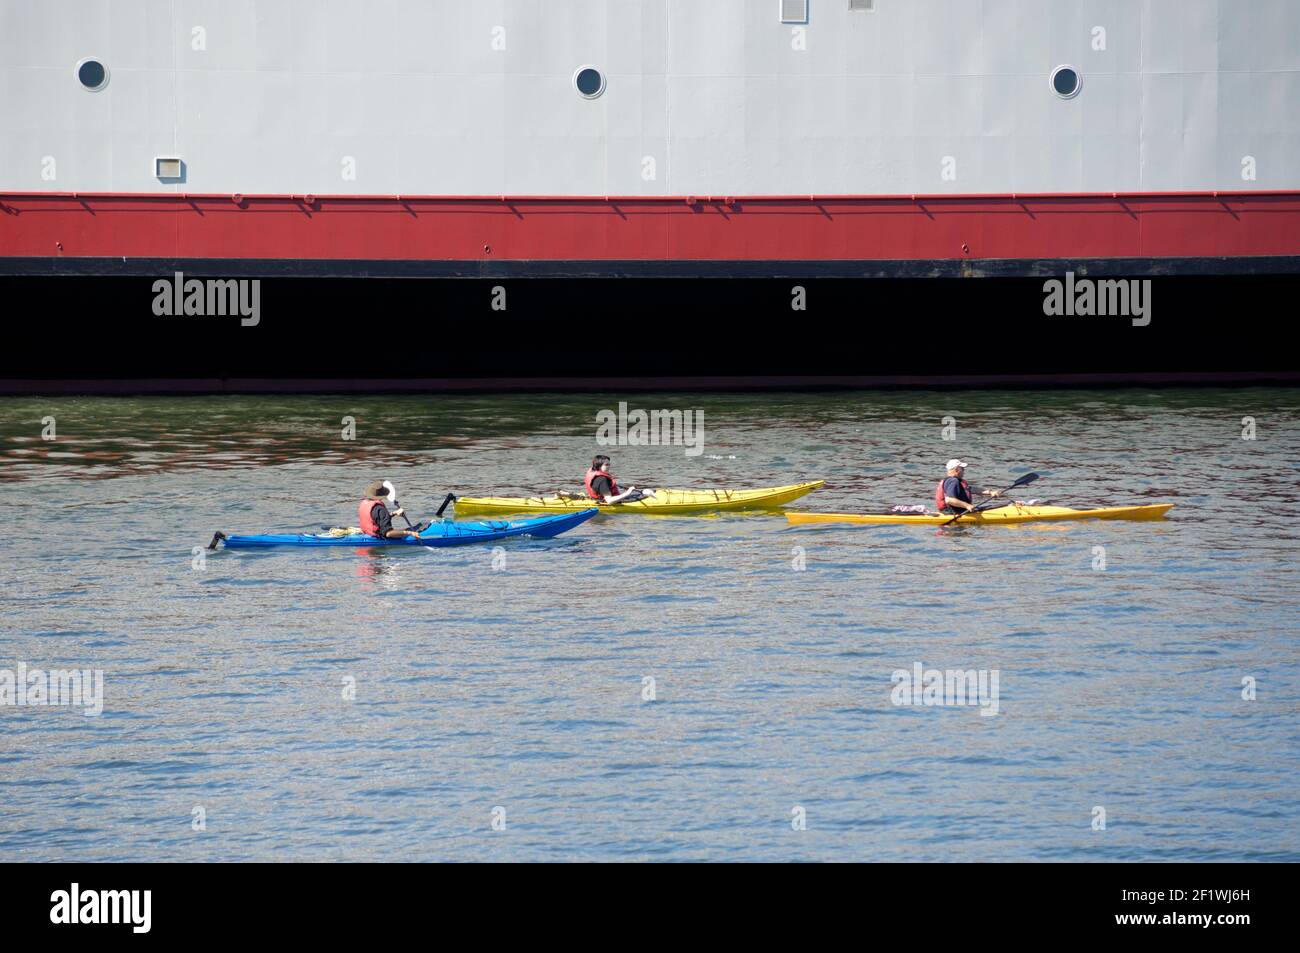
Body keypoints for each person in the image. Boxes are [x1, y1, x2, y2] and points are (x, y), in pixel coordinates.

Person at [358, 481, 423, 538]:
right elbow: (388, 533)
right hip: (378, 537)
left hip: (367, 533)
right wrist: (410, 533)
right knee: (418, 528)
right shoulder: (380, 509)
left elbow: (377, 519)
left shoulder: (364, 503)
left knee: (418, 526)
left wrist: (393, 513)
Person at [583, 455, 658, 505]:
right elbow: (609, 501)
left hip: (598, 498)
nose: (609, 467)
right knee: (643, 494)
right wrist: (628, 492)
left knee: (648, 491)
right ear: (598, 466)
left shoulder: (593, 472)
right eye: (606, 465)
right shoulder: (602, 479)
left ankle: (649, 492)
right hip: (607, 501)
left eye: (609, 464)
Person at [935, 459, 1002, 514]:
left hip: (954, 511)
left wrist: (990, 492)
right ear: (956, 470)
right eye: (962, 469)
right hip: (954, 512)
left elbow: (971, 489)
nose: (964, 471)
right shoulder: (953, 481)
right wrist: (967, 506)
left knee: (995, 506)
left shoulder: (954, 481)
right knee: (1000, 506)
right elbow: (949, 500)